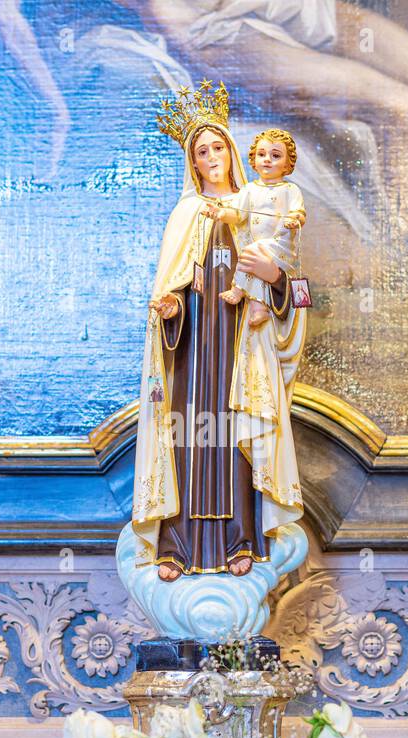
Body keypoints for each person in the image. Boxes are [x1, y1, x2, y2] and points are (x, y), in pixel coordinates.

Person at [133, 84, 306, 581]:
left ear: (234, 151)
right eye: (201, 150)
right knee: (189, 438)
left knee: (238, 439)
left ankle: (242, 539)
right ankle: (176, 544)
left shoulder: (262, 207)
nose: (211, 157)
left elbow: (302, 291)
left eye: (218, 146)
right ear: (192, 162)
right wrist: (169, 307)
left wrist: (274, 281)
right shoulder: (185, 214)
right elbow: (169, 286)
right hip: (191, 356)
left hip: (241, 349)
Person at [211, 128, 306, 333]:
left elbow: (298, 213)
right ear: (253, 160)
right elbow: (237, 215)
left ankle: (238, 290)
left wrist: (293, 219)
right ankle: (257, 307)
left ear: (288, 164)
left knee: (252, 255)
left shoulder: (290, 190)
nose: (267, 160)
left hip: (280, 243)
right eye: (262, 154)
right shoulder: (249, 190)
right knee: (251, 260)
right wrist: (221, 214)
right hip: (259, 246)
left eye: (275, 155)